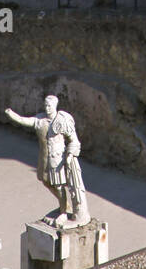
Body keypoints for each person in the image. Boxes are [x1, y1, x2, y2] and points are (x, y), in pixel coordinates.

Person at [5, 94, 90, 228]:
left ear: (55, 106)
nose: (47, 108)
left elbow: (74, 140)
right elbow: (26, 120)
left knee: (59, 185)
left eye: (49, 106)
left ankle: (63, 211)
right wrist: (12, 115)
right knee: (46, 181)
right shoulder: (41, 119)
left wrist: (70, 154)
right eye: (45, 105)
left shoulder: (62, 120)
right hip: (44, 158)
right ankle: (64, 205)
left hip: (57, 159)